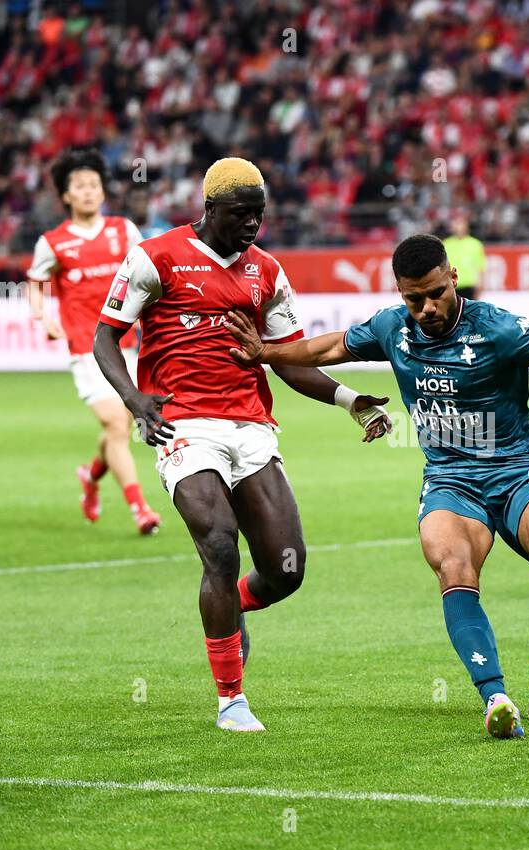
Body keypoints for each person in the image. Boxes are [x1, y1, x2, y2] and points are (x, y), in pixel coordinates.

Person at [223, 234, 529, 739]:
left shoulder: (503, 330)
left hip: (518, 468)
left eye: (435, 294)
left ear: (454, 278)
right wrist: (267, 353)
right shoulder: (392, 328)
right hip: (450, 480)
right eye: (413, 298)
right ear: (399, 292)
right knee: (453, 564)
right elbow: (334, 345)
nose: (426, 308)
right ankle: (495, 697)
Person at [93, 157, 391, 732]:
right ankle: (232, 699)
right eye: (241, 213)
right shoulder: (155, 257)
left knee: (286, 569)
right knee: (220, 546)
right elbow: (106, 337)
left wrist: (350, 400)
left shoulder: (268, 272)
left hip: (252, 428)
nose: (254, 223)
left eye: (260, 213)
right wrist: (135, 400)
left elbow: (291, 361)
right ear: (209, 209)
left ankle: (229, 610)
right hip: (183, 424)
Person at [26, 150, 159, 534]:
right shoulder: (52, 243)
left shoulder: (124, 231)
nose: (87, 192)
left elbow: (146, 279)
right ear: (66, 196)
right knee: (119, 421)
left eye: (93, 186)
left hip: (130, 347)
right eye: (79, 187)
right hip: (86, 350)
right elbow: (34, 286)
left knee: (120, 429)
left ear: (103, 192)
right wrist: (43, 316)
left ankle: (90, 475)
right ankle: (141, 509)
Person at [442, 214, 486, 299]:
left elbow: (481, 266)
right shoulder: (446, 244)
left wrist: (481, 284)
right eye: (457, 224)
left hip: (469, 285)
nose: (459, 227)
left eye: (461, 224)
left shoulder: (475, 244)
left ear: (466, 226)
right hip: (452, 285)